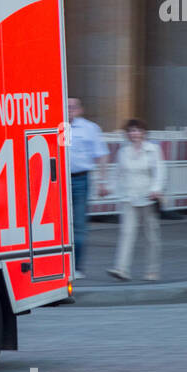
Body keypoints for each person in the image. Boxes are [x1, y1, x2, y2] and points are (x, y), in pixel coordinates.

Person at [106, 119, 166, 282]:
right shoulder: (123, 152)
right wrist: (108, 187)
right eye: (131, 131)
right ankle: (121, 268)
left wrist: (156, 189)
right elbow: (116, 172)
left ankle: (152, 270)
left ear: (144, 133)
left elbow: (159, 171)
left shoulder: (153, 149)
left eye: (137, 130)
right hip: (129, 197)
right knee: (127, 233)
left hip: (148, 197)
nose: (134, 134)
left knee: (151, 236)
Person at [67, 97, 109, 279]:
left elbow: (101, 155)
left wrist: (102, 181)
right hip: (58, 181)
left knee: (79, 225)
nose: (69, 110)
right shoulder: (59, 126)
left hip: (81, 179)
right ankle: (62, 266)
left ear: (80, 109)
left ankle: (77, 267)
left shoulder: (90, 128)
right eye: (66, 106)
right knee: (60, 227)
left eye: (73, 107)